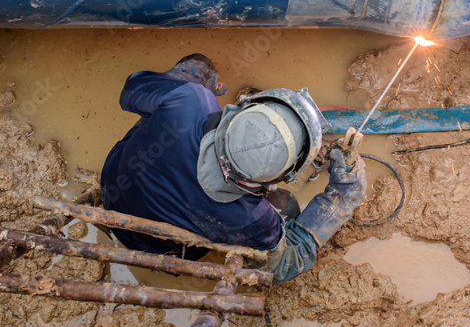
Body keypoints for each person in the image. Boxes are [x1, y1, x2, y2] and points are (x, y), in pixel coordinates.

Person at [100, 53, 366, 283]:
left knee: (197, 67)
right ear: (282, 176)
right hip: (161, 251)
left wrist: (179, 95)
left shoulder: (191, 100)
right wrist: (345, 190)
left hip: (113, 188)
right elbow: (287, 262)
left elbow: (131, 91)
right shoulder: (255, 218)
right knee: (286, 206)